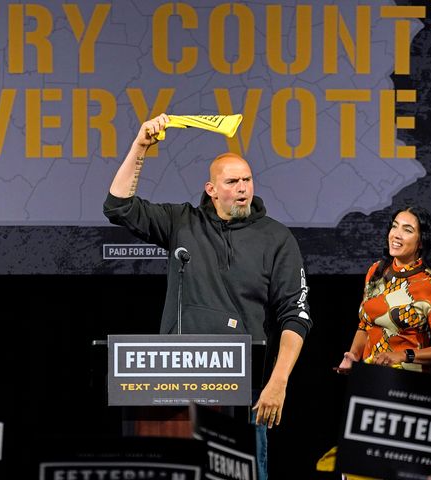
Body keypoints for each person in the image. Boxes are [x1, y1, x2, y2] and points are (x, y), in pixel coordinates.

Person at [104, 114, 312, 479]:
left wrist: (277, 383)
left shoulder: (277, 238)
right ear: (212, 189)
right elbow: (118, 207)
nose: (243, 188)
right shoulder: (182, 223)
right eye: (232, 182)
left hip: (242, 395)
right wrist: (140, 147)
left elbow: (296, 315)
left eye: (247, 179)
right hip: (173, 393)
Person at [337, 206, 431, 372]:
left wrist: (404, 355)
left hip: (407, 383)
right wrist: (353, 355)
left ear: (421, 242)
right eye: (394, 226)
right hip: (369, 376)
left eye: (407, 230)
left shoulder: (430, 284)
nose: (396, 234)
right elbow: (365, 325)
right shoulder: (376, 271)